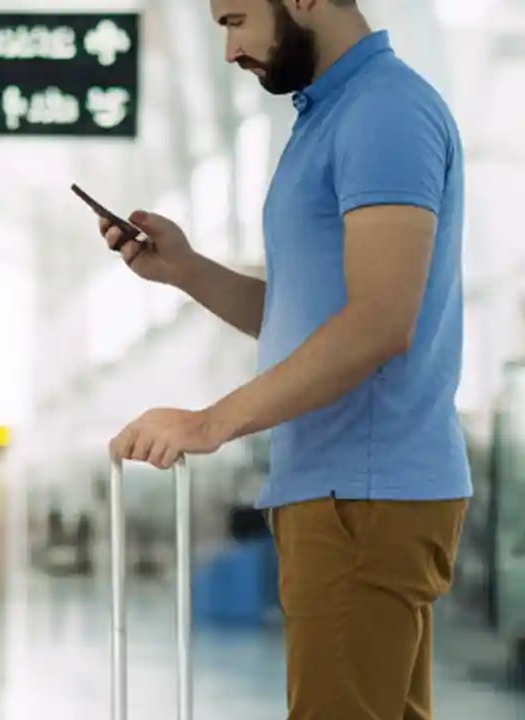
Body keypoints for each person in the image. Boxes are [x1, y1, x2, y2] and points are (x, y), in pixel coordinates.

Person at [105, 2, 471, 718]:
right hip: (346, 490)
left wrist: (211, 423)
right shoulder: (332, 116)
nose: (230, 51)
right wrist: (186, 270)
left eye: (236, 20)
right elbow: (306, 320)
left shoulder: (382, 112)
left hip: (361, 494)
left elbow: (376, 325)